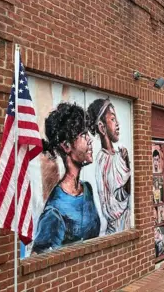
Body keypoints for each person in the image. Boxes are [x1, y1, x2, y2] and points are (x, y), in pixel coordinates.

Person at [32, 103, 100, 254]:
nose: (90, 140)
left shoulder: (86, 189)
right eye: (83, 134)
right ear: (66, 146)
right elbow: (40, 260)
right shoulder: (54, 212)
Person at [88, 98, 131, 235]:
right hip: (117, 229)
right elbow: (113, 203)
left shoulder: (119, 155)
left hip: (127, 222)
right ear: (102, 127)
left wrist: (126, 161)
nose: (118, 124)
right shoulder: (103, 161)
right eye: (113, 119)